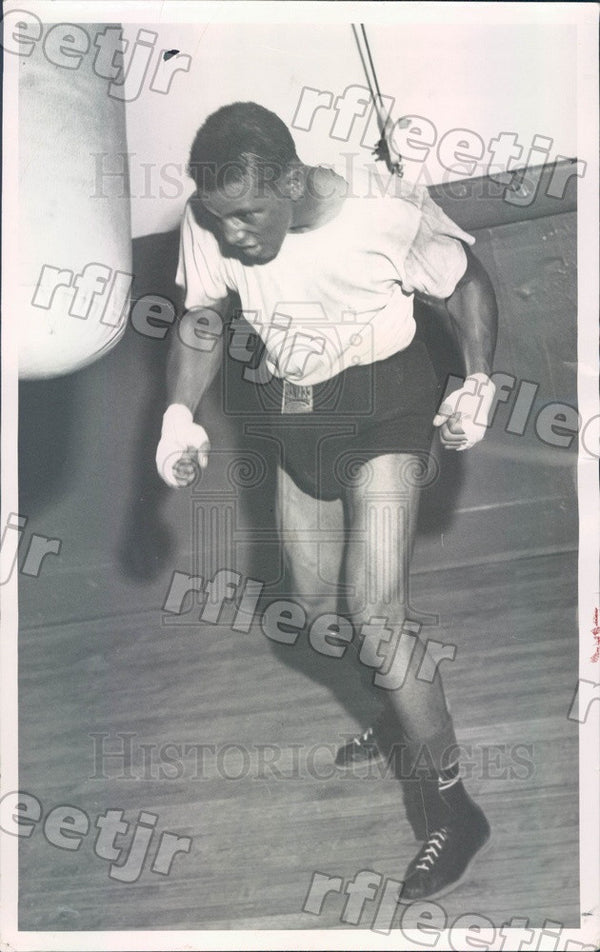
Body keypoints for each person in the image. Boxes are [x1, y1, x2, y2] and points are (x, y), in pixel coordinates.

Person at [156, 102, 499, 901]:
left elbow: (466, 284)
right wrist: (177, 413)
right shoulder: (210, 219)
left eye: (249, 216)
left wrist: (480, 376)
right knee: (312, 612)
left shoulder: (380, 204)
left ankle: (453, 810)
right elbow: (203, 317)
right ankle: (395, 712)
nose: (233, 236)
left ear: (290, 179)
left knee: (376, 614)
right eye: (220, 219)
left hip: (390, 400)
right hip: (300, 409)